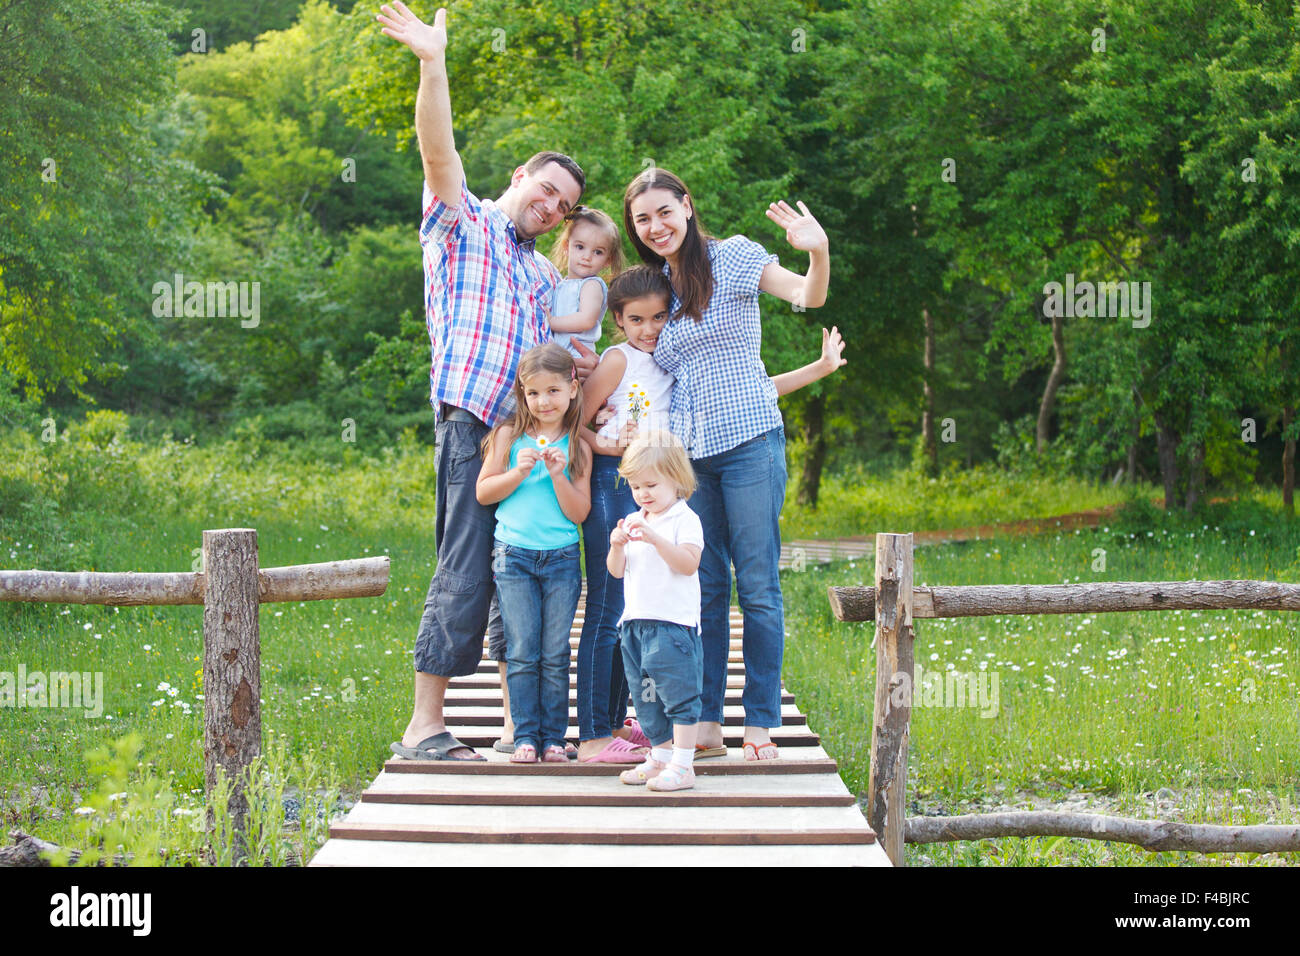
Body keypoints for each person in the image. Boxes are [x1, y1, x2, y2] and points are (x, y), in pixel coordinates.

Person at [378, 2, 597, 761]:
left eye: (564, 208)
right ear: (520, 177)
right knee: (465, 566)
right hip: (472, 425)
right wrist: (432, 64)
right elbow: (437, 154)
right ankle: (424, 725)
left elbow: (557, 360)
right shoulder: (461, 223)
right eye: (546, 192)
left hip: (528, 438)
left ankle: (516, 726)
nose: (551, 209)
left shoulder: (541, 275)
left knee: (512, 575)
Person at [576, 266, 846, 762]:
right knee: (625, 599)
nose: (651, 329)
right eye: (637, 320)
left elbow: (755, 390)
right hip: (622, 482)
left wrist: (820, 368)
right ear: (619, 319)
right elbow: (578, 416)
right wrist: (602, 439)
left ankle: (652, 722)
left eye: (660, 318)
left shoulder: (678, 367)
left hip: (666, 489)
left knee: (675, 594)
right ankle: (618, 727)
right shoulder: (622, 360)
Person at [622, 167, 831, 760]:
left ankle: (761, 721)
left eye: (665, 210)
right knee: (705, 587)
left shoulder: (733, 257)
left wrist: (817, 254)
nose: (656, 225)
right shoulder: (654, 286)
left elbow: (806, 295)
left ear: (687, 205)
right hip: (690, 459)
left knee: (758, 586)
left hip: (749, 442)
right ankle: (705, 720)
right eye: (643, 219)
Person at [477, 344, 591, 763]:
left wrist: (559, 474)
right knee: (523, 649)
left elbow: (579, 512)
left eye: (553, 391)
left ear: (572, 389)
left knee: (555, 653)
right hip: (514, 557)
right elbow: (484, 492)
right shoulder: (508, 436)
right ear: (523, 394)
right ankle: (525, 736)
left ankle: (554, 739)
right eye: (534, 393)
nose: (544, 402)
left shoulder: (578, 446)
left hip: (561, 558)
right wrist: (518, 471)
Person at [606, 432, 704, 791]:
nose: (642, 493)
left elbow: (688, 564)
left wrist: (654, 538)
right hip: (635, 624)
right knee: (645, 696)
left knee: (678, 695)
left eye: (650, 484)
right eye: (634, 486)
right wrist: (617, 546)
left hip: (672, 626)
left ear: (676, 479)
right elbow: (617, 570)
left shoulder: (684, 519)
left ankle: (683, 764)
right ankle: (660, 755)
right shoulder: (635, 519)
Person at [547, 206, 625, 359]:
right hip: (560, 354)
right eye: (580, 247)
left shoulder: (591, 285)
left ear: (608, 260)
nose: (587, 256)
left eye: (598, 252)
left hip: (576, 355)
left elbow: (586, 320)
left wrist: (550, 322)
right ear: (566, 247)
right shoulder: (562, 283)